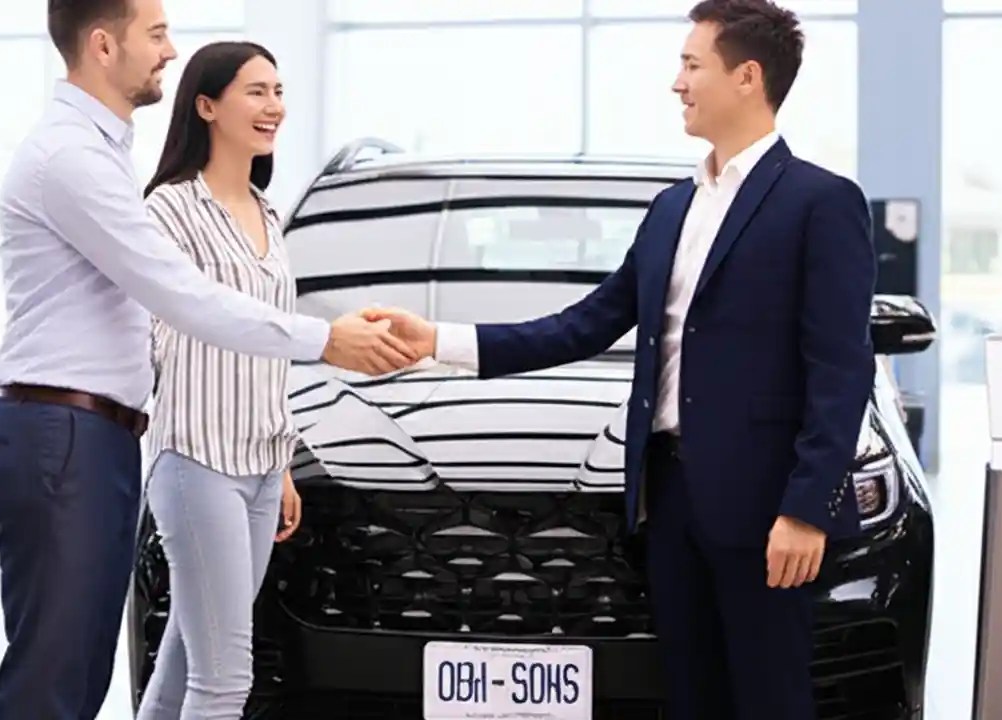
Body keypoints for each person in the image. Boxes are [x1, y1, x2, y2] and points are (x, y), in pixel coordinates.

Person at [364, 1, 876, 718]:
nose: (678, 83)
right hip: (667, 498)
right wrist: (438, 341)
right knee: (689, 696)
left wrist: (806, 509)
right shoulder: (672, 207)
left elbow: (840, 368)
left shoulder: (821, 202)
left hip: (765, 509)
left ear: (748, 77)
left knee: (769, 699)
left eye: (692, 64)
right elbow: (584, 325)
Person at [0, 2, 417, 719]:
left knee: (87, 676)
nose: (170, 51)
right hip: (66, 432)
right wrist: (324, 339)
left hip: (101, 435)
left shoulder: (106, 152)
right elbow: (182, 298)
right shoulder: (74, 159)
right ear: (102, 44)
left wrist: (278, 448)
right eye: (156, 35)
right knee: (56, 681)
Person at [131, 40, 306, 719]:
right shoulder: (168, 211)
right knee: (226, 679)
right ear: (206, 105)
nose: (274, 107)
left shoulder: (269, 214)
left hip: (261, 467)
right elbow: (162, 327)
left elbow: (271, 346)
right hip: (197, 460)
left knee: (182, 663)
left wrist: (283, 461)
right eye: (256, 92)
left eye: (279, 91)